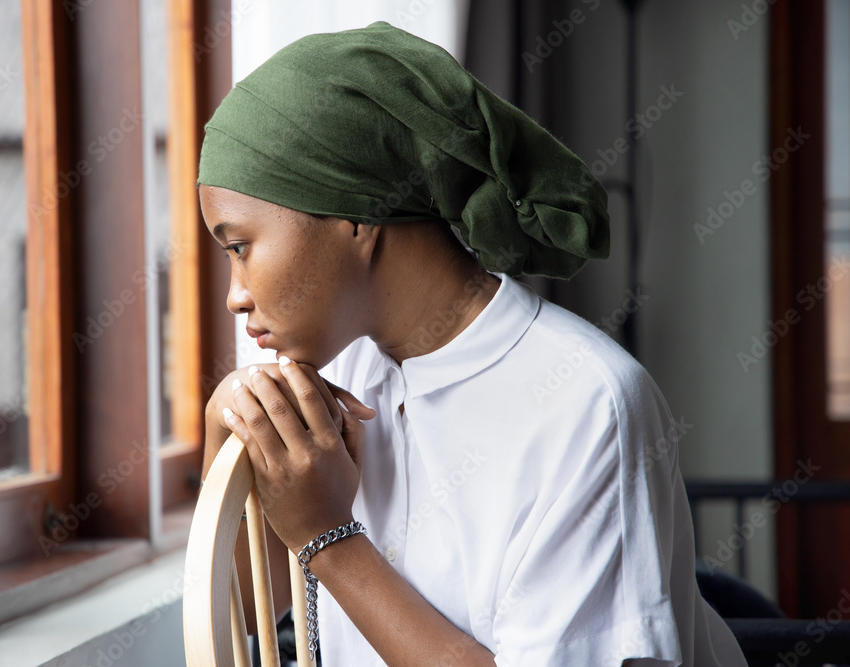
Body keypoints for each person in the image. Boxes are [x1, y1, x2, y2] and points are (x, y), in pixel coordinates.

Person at [198, 21, 746, 667]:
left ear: (358, 218)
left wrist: (328, 537)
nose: (234, 294)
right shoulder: (340, 366)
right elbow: (232, 604)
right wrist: (225, 430)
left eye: (239, 247)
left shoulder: (588, 405)